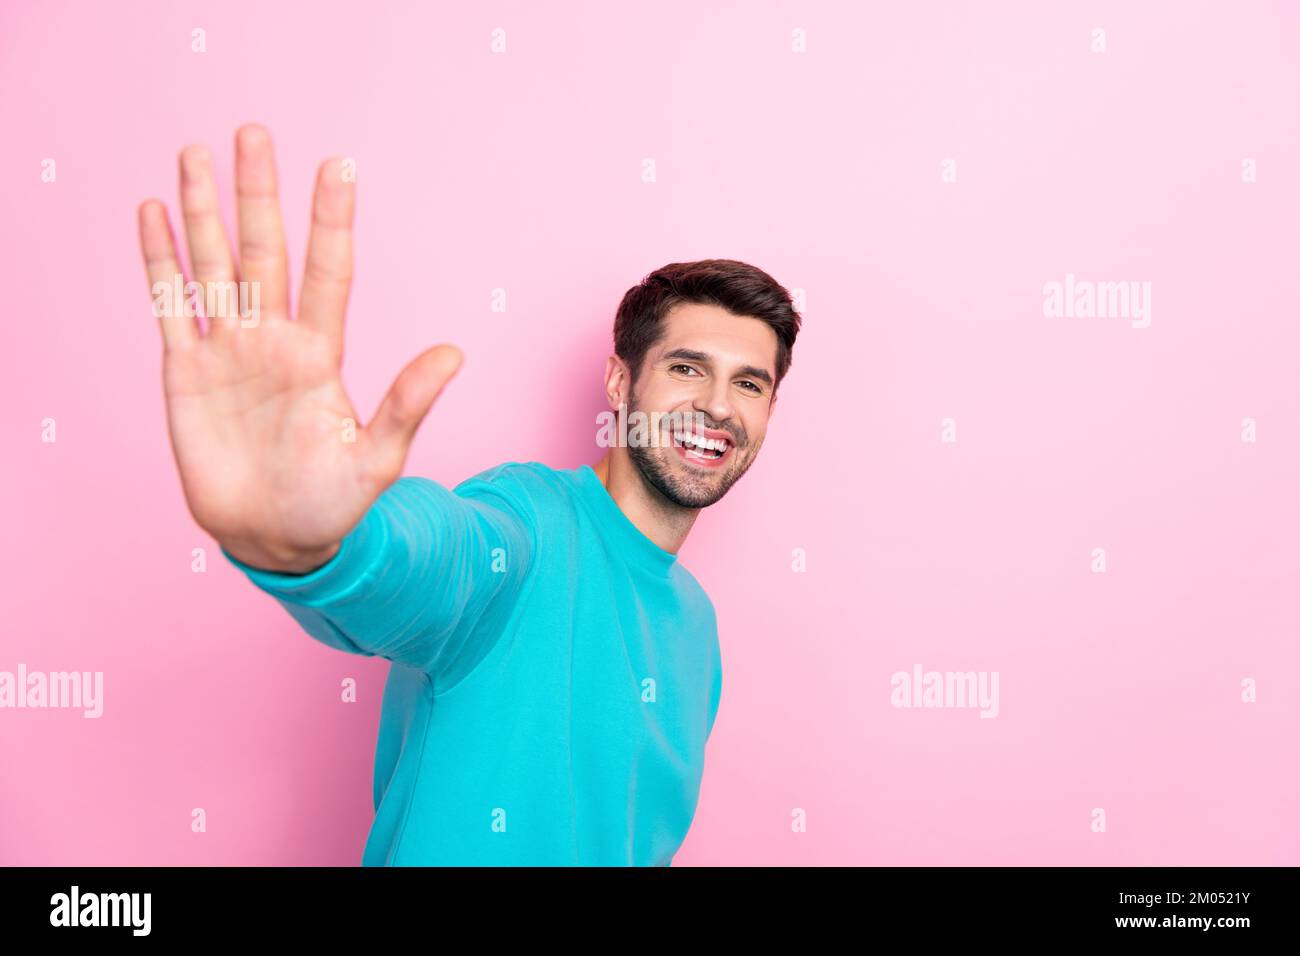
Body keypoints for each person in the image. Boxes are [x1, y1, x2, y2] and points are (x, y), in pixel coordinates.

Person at [136, 124, 801, 865]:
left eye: (749, 384)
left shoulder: (697, 628)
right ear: (621, 383)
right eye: (686, 368)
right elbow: (432, 557)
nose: (717, 405)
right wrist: (323, 546)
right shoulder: (527, 525)